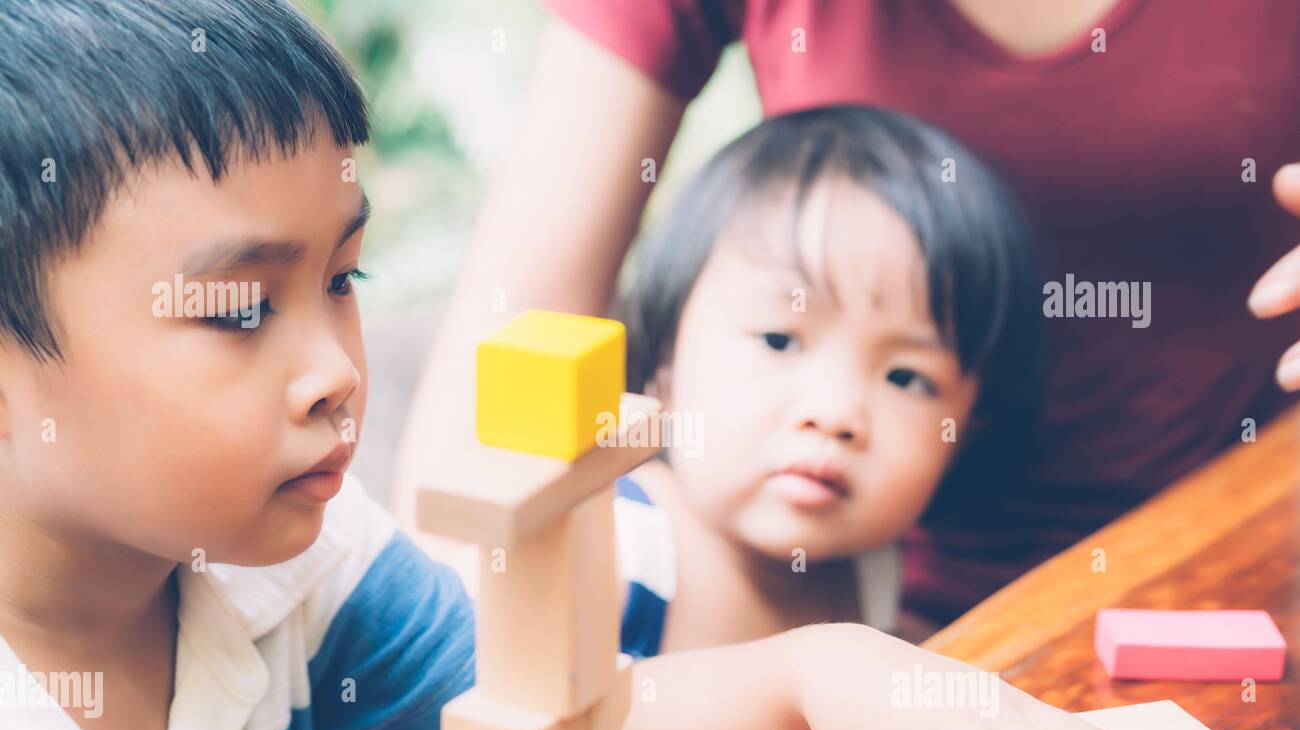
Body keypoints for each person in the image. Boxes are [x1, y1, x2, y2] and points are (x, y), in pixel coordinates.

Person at [0, 0, 1179, 730]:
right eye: (241, 311)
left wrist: (835, 669)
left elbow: (568, 724)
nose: (332, 371)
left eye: (345, 280)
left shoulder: (321, 566)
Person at [392, 0, 1300, 632]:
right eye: (782, 338)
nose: (834, 408)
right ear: (659, 361)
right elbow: (493, 390)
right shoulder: (631, 553)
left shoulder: (848, 584)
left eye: (906, 375)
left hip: (1245, 572)